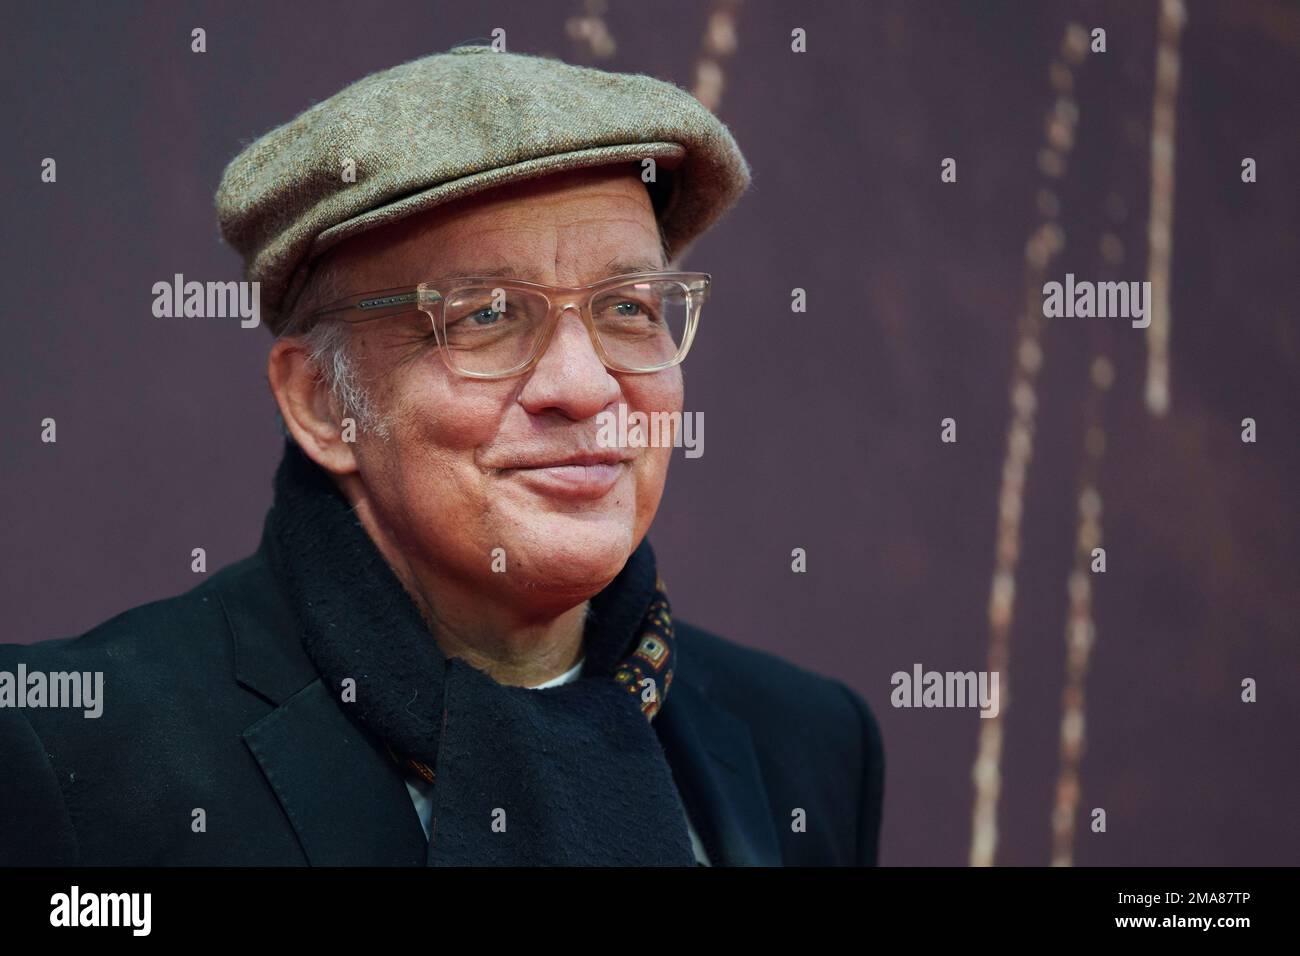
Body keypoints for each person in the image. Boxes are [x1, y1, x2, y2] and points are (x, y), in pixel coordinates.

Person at [0, 45, 883, 866]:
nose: (584, 386)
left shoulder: (807, 745)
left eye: (629, 308)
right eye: (486, 314)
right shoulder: (75, 749)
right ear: (319, 403)